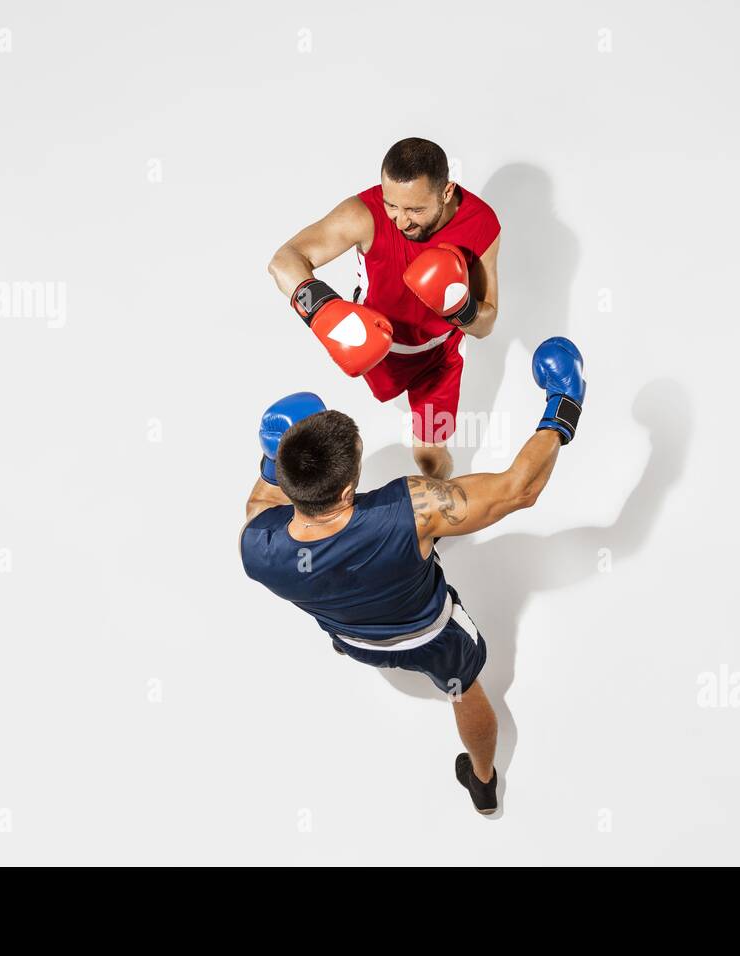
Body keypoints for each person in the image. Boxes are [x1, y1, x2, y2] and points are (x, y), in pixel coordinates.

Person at [239, 338, 585, 813]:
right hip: (432, 636)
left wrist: (276, 462)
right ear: (346, 490)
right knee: (465, 690)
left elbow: (259, 505)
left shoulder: (258, 549)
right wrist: (563, 404)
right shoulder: (414, 510)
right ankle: (483, 783)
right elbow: (518, 490)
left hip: (354, 640)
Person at [267, 137, 502, 480]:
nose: (401, 221)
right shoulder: (365, 213)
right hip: (377, 343)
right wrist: (324, 313)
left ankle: (435, 530)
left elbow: (487, 323)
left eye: (415, 210)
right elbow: (283, 261)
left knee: (430, 458)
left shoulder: (481, 224)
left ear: (446, 192)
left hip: (438, 357)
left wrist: (462, 308)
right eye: (393, 205)